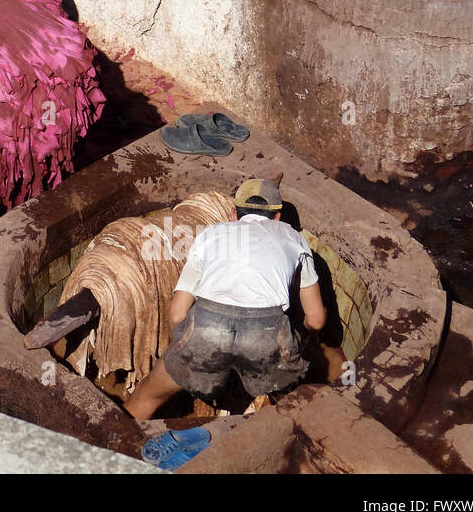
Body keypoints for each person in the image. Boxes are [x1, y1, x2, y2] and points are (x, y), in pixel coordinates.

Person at [124, 177, 327, 420]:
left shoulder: (210, 234)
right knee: (290, 407)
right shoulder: (296, 238)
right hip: (267, 339)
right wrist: (297, 343)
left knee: (146, 397)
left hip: (207, 333)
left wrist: (181, 351)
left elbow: (177, 314)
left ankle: (112, 447)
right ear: (277, 218)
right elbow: (315, 320)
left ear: (233, 213)